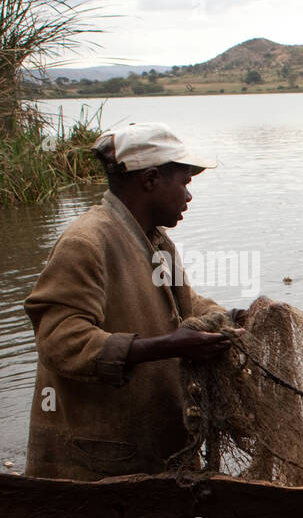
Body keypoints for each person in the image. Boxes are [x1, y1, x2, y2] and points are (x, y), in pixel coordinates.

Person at [24, 122, 246, 480]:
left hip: (155, 447)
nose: (189, 197)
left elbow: (187, 305)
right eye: (185, 183)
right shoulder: (86, 242)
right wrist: (163, 347)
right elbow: (59, 340)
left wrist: (234, 318)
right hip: (98, 465)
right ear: (151, 180)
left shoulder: (155, 241)